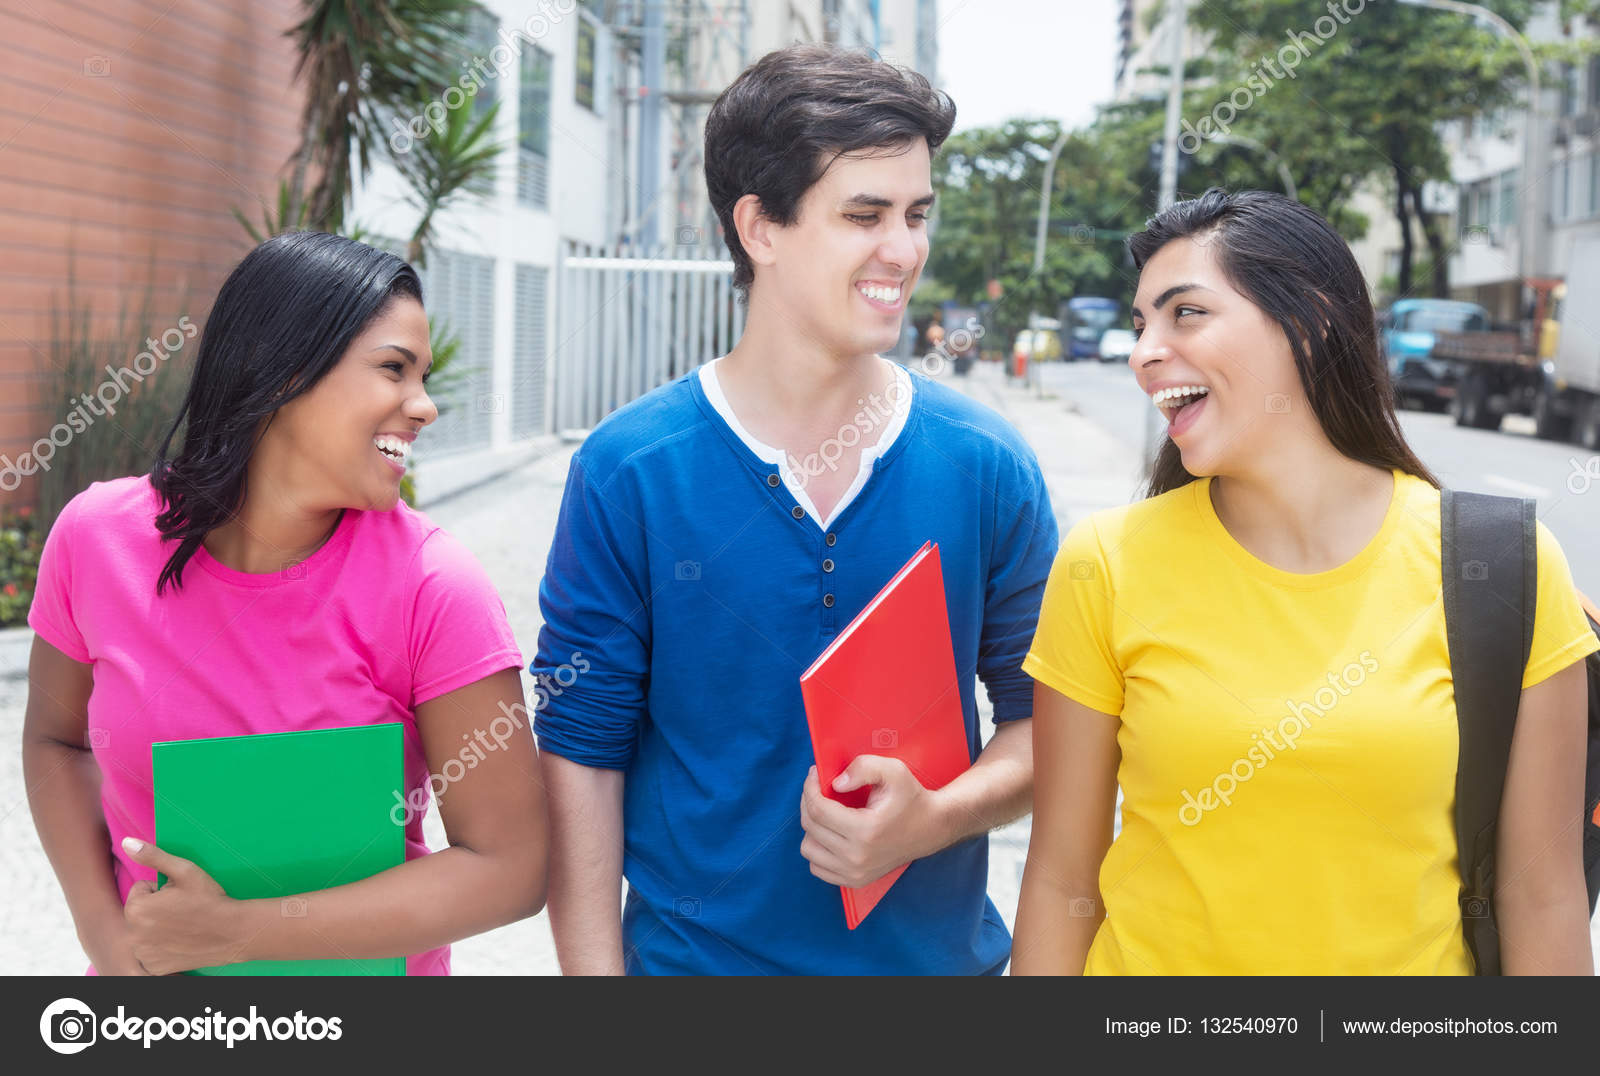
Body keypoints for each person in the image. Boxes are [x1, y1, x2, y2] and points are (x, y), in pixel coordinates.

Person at [532, 44, 1058, 975]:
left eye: (916, 214)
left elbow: (1044, 729)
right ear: (760, 228)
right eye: (865, 215)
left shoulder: (987, 466)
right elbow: (583, 753)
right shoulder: (630, 471)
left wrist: (937, 817)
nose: (904, 249)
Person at [1012, 189, 1598, 975]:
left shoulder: (1508, 566)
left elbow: (1543, 898)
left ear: (1314, 320)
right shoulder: (1106, 564)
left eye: (1186, 313)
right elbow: (1059, 882)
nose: (1145, 350)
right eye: (1141, 321)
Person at [22, 232, 548, 975]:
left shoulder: (435, 589)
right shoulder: (95, 541)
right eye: (394, 369)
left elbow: (510, 867)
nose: (425, 406)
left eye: (422, 376)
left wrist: (240, 933)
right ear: (280, 374)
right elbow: (56, 742)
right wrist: (103, 934)